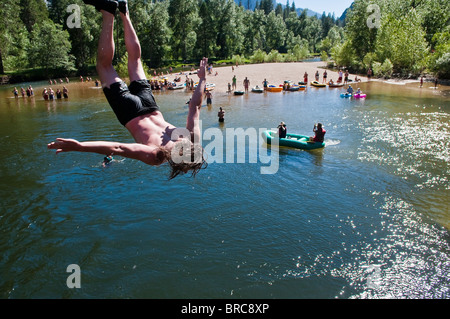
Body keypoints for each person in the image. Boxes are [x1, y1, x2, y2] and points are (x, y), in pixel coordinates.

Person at [48, 0, 208, 180]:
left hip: (150, 105)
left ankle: (124, 12)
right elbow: (118, 148)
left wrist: (202, 79)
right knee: (104, 66)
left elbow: (195, 106)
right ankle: (108, 13)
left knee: (135, 61)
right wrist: (79, 146)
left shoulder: (191, 138)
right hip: (129, 112)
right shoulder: (156, 156)